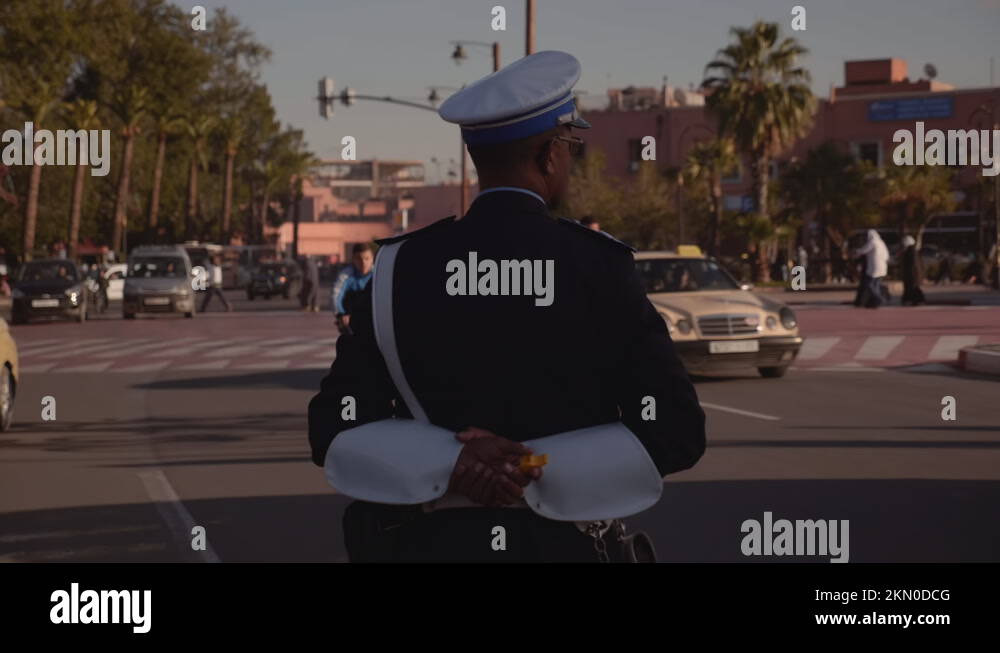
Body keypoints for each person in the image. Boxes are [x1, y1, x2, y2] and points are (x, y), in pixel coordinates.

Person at [308, 51, 706, 563]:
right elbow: (676, 431)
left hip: (426, 546)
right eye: (573, 146)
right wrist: (532, 465)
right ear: (550, 155)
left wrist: (455, 462)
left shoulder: (397, 268)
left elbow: (335, 425)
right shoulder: (600, 266)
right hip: (565, 548)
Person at [330, 243, 374, 329]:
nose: (363, 262)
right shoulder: (345, 275)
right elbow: (336, 295)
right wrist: (340, 314)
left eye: (367, 258)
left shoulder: (378, 274)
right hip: (350, 319)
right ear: (353, 259)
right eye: (359, 259)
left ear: (372, 259)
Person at [853, 229, 889, 308]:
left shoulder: (873, 242)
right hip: (883, 268)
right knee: (876, 285)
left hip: (875, 268)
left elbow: (863, 250)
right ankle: (876, 301)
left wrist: (856, 251)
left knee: (869, 284)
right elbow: (887, 256)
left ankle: (879, 298)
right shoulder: (881, 243)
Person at [900, 235, 925, 306]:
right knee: (913, 288)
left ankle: (916, 300)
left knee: (913, 288)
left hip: (912, 275)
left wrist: (909, 274)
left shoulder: (911, 251)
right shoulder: (914, 251)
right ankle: (913, 300)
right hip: (915, 274)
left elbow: (912, 265)